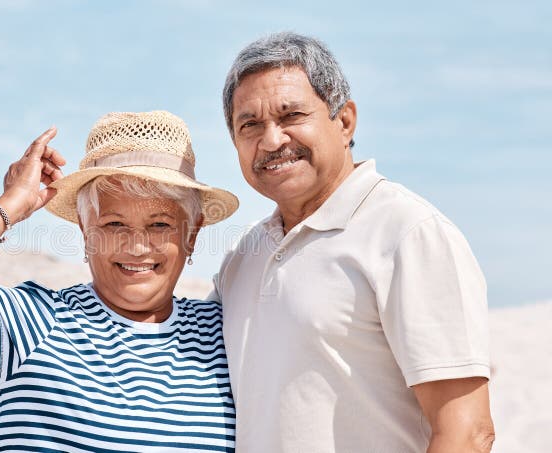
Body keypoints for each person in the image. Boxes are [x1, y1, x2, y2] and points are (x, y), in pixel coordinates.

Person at [0, 110, 239, 452]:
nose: (137, 245)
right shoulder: (36, 321)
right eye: (113, 224)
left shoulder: (225, 335)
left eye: (160, 224)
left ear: (191, 234)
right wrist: (11, 204)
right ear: (85, 231)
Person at [212, 32, 495, 452]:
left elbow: (467, 432)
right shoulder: (242, 258)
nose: (271, 140)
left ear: (344, 122)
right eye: (250, 124)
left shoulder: (408, 232)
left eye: (291, 115)